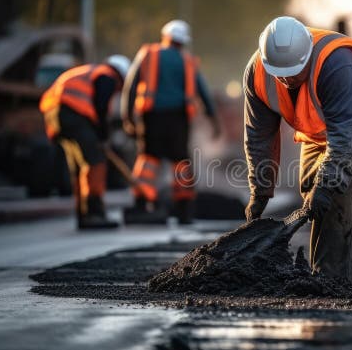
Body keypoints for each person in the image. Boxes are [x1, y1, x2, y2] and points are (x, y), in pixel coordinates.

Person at [243, 16, 352, 283]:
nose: (287, 79)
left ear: (307, 57)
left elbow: (345, 136)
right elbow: (259, 137)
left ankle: (336, 281)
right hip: (320, 127)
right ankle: (325, 273)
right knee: (310, 188)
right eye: (280, 74)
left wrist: (327, 185)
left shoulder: (336, 64)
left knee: (339, 191)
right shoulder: (257, 74)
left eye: (294, 71)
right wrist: (260, 191)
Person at [121, 20, 220, 224]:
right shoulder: (188, 61)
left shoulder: (148, 54)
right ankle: (183, 210)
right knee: (180, 162)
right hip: (178, 119)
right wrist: (214, 121)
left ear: (165, 36)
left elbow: (130, 86)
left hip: (152, 118)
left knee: (149, 158)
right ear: (183, 42)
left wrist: (128, 117)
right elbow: (203, 92)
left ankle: (142, 204)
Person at [40, 55, 130, 229]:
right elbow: (101, 108)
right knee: (96, 162)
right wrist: (103, 137)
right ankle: (94, 213)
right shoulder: (107, 76)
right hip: (72, 113)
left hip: (55, 115)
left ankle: (83, 215)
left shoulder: (90, 71)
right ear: (121, 75)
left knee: (79, 167)